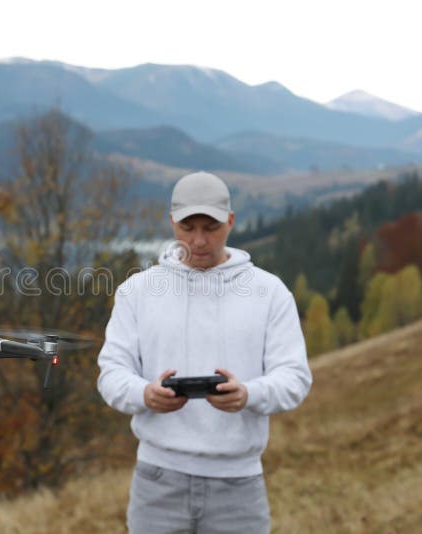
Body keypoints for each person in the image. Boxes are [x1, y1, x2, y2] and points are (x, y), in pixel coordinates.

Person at [97, 171, 312, 533]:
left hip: (238, 487)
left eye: (210, 228)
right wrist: (144, 394)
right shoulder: (137, 292)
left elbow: (295, 378)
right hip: (156, 482)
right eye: (187, 227)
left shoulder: (270, 292)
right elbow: (111, 374)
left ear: (231, 221)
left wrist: (249, 394)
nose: (198, 240)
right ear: (172, 222)